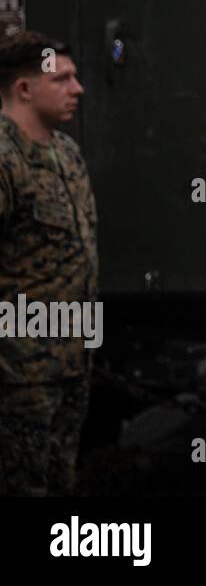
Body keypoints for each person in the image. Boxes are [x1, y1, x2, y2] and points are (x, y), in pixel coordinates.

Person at [0, 31, 97, 495]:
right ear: (23, 89)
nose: (77, 89)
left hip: (69, 363)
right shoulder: (4, 158)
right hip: (19, 373)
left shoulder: (66, 154)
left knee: (60, 482)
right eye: (62, 79)